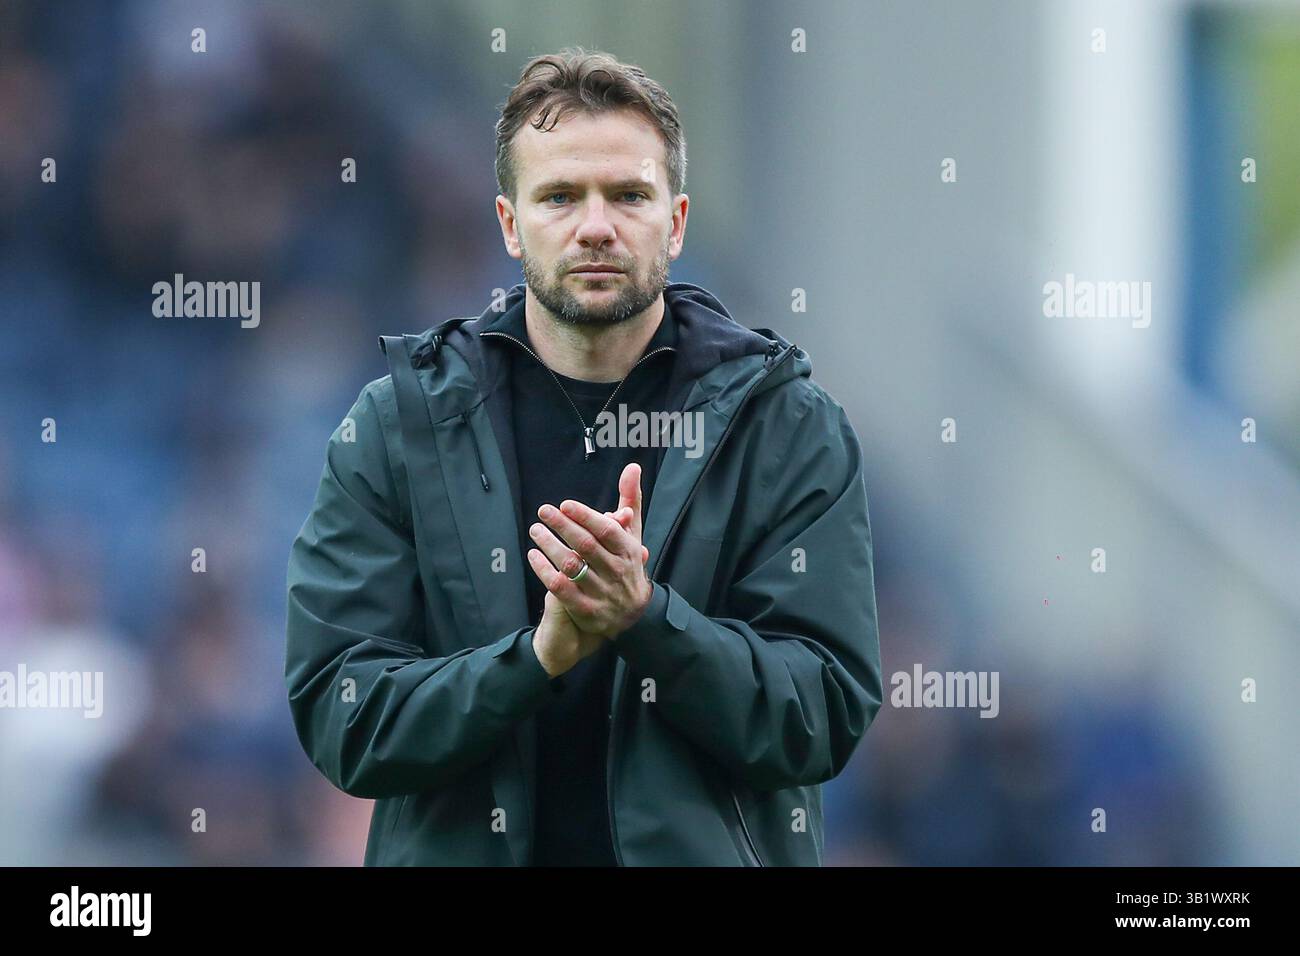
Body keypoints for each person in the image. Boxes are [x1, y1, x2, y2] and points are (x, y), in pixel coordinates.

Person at [284, 47, 882, 866]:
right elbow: (344, 718)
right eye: (560, 195)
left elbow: (822, 714)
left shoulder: (785, 427)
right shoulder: (399, 425)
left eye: (629, 195)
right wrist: (536, 659)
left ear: (674, 223)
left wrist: (647, 620)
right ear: (508, 222)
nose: (595, 225)